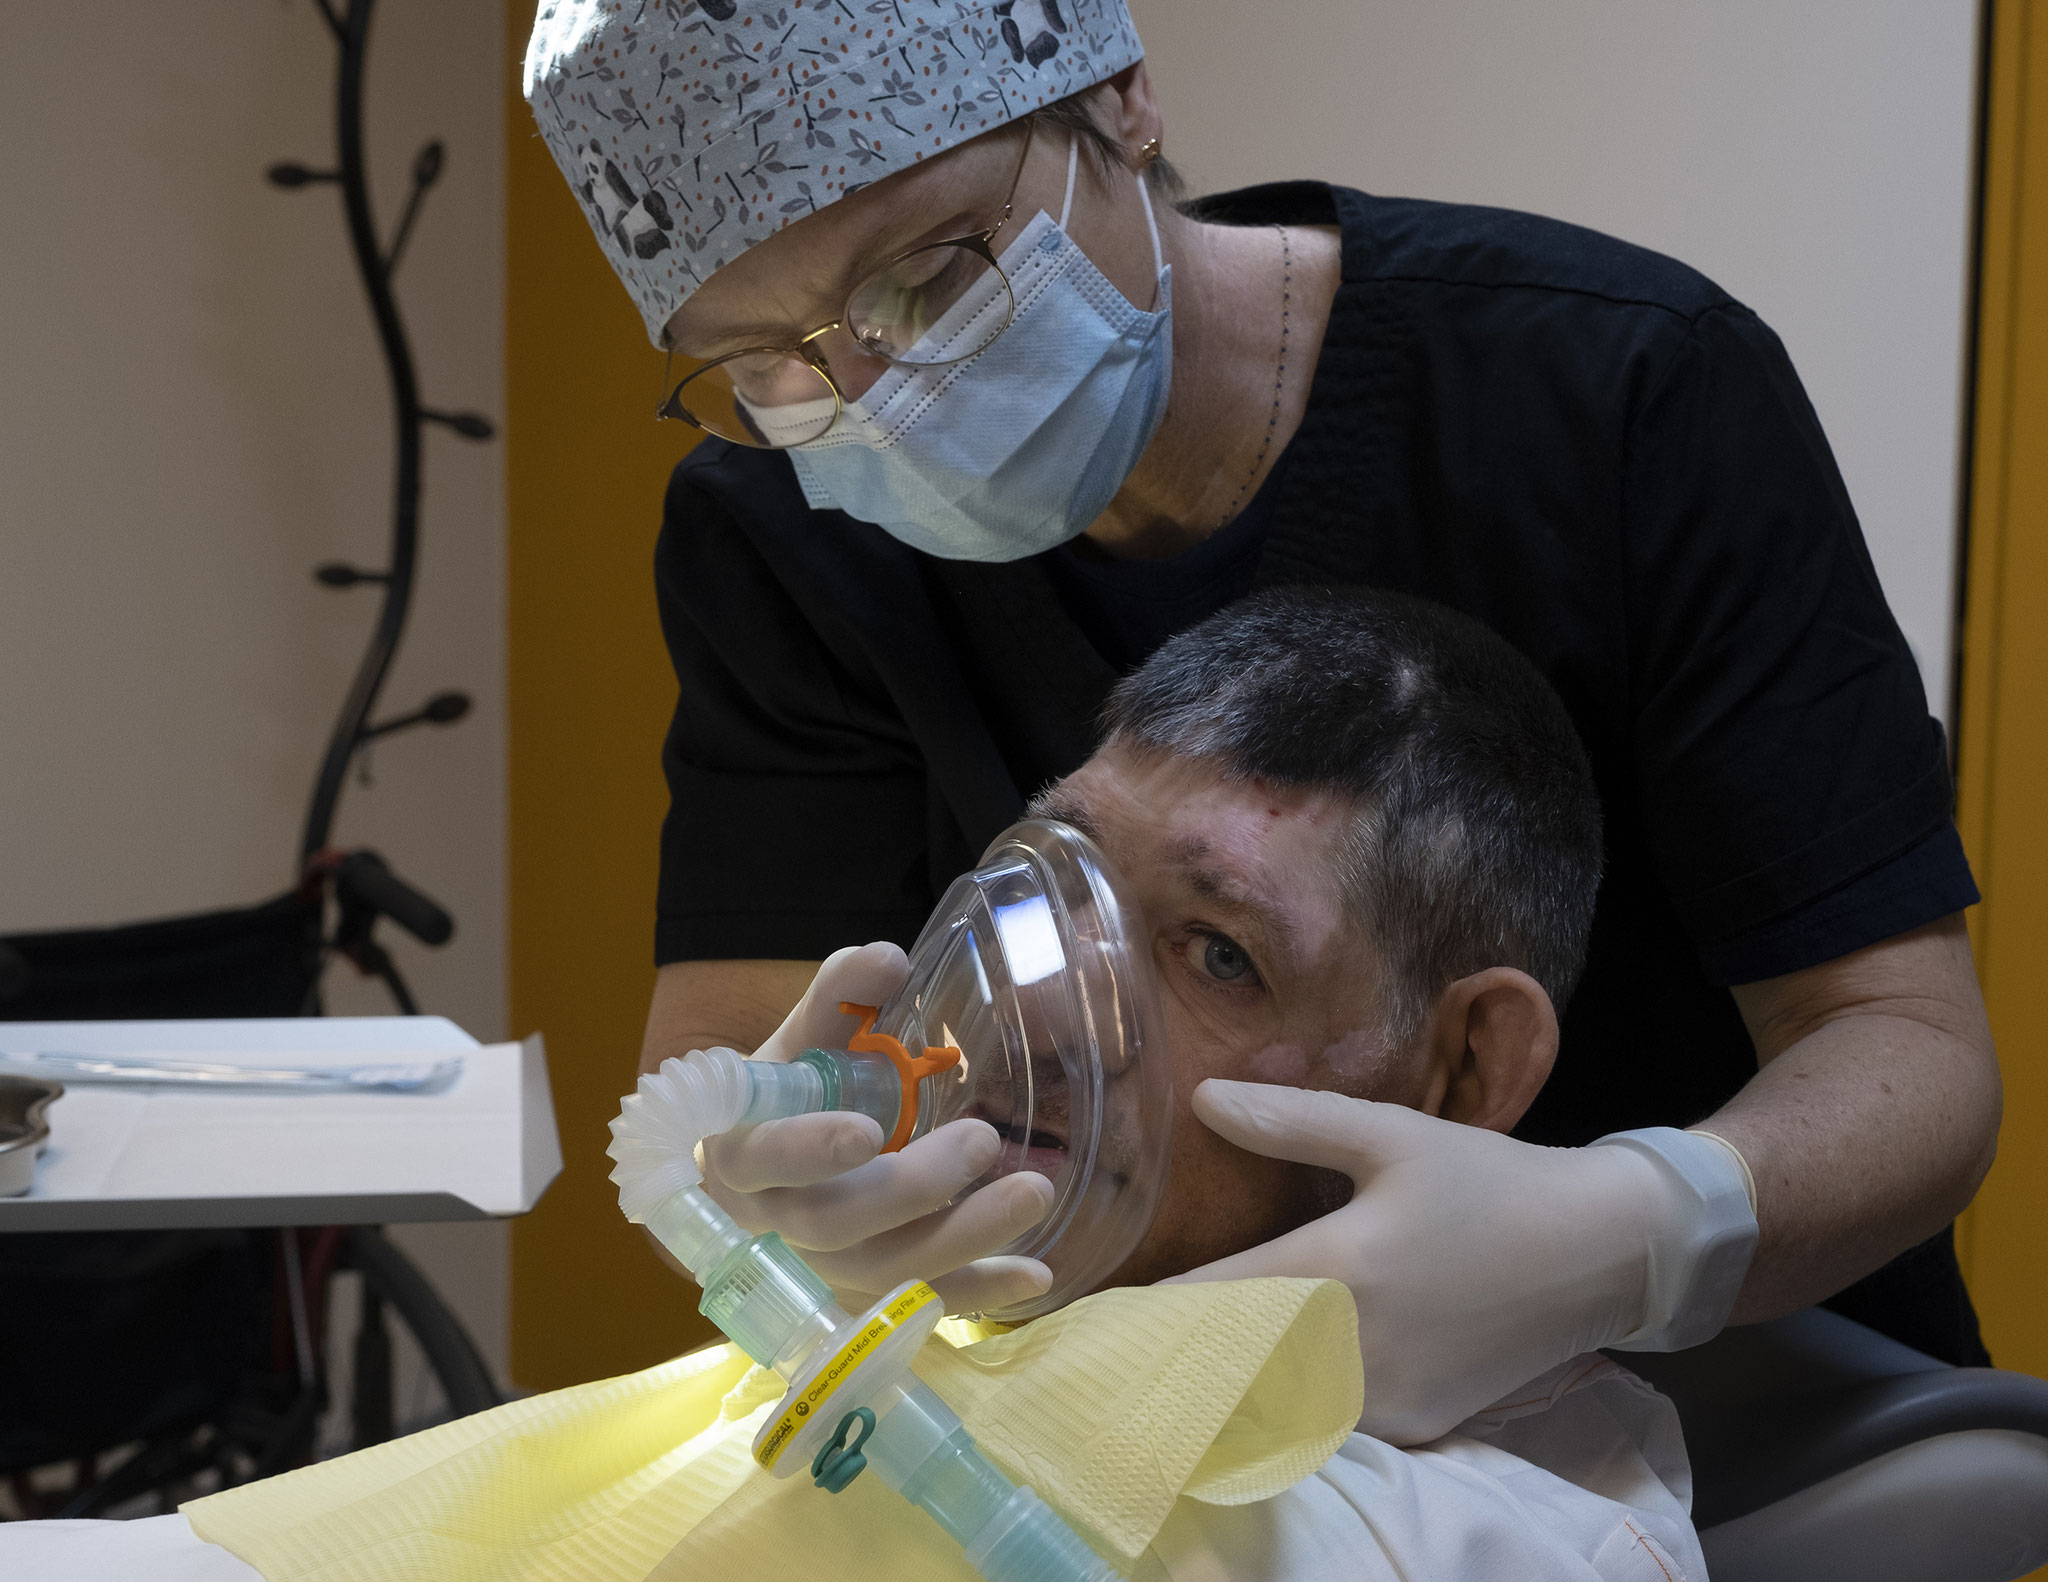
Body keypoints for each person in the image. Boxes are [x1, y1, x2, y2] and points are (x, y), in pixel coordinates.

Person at [522, 0, 2000, 1441]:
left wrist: (1628, 1232)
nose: (875, 394)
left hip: (1741, 1411)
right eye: (771, 365)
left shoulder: (1622, 386)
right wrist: (792, 1195)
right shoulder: (779, 532)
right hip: (1164, 1429)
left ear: (1120, 100)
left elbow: (1906, 1049)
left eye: (929, 276)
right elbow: (729, 1058)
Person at [0, 585, 1707, 1582]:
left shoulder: (1510, 1530)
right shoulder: (931, 1325)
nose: (1052, 1006)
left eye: (1217, 957)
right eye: (1060, 870)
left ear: (1468, 1064)